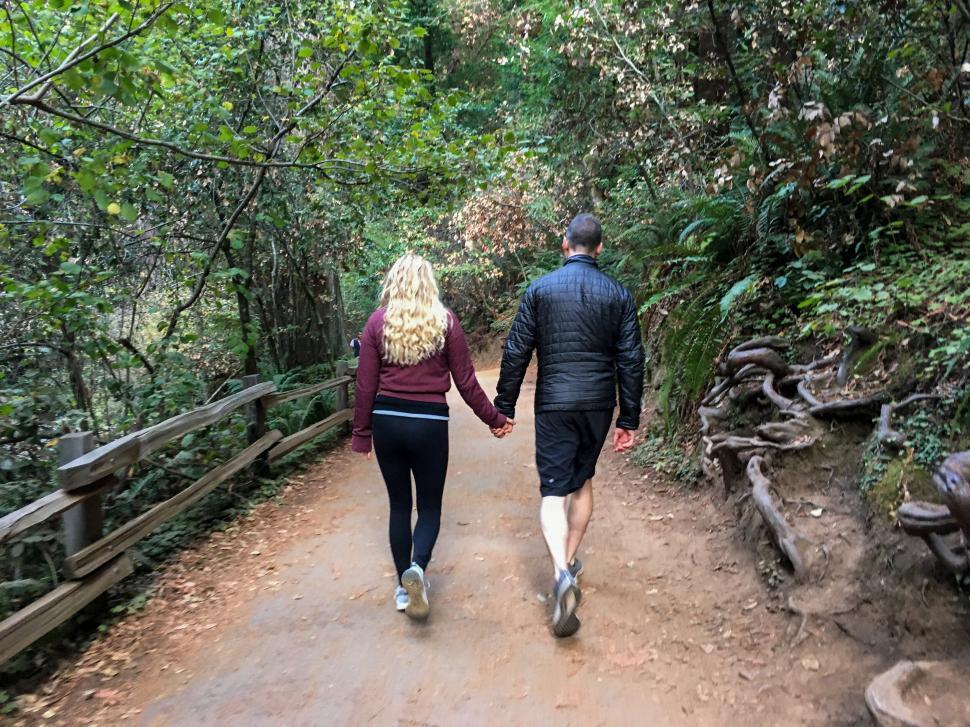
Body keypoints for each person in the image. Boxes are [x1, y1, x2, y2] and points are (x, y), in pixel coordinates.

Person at [494, 213, 644, 638]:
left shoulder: (539, 291)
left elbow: (516, 350)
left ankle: (561, 573)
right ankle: (570, 562)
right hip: (597, 404)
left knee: (553, 490)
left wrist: (504, 406)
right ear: (600, 248)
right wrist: (628, 417)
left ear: (565, 245)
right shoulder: (618, 295)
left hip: (555, 403)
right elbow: (631, 360)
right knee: (583, 481)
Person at [353, 253, 514, 621]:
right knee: (428, 507)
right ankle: (419, 570)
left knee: (398, 506)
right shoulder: (446, 322)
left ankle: (402, 587)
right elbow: (466, 381)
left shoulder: (378, 323)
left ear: (393, 282)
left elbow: (365, 386)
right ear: (430, 284)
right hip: (429, 423)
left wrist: (362, 434)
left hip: (387, 422)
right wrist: (495, 419)